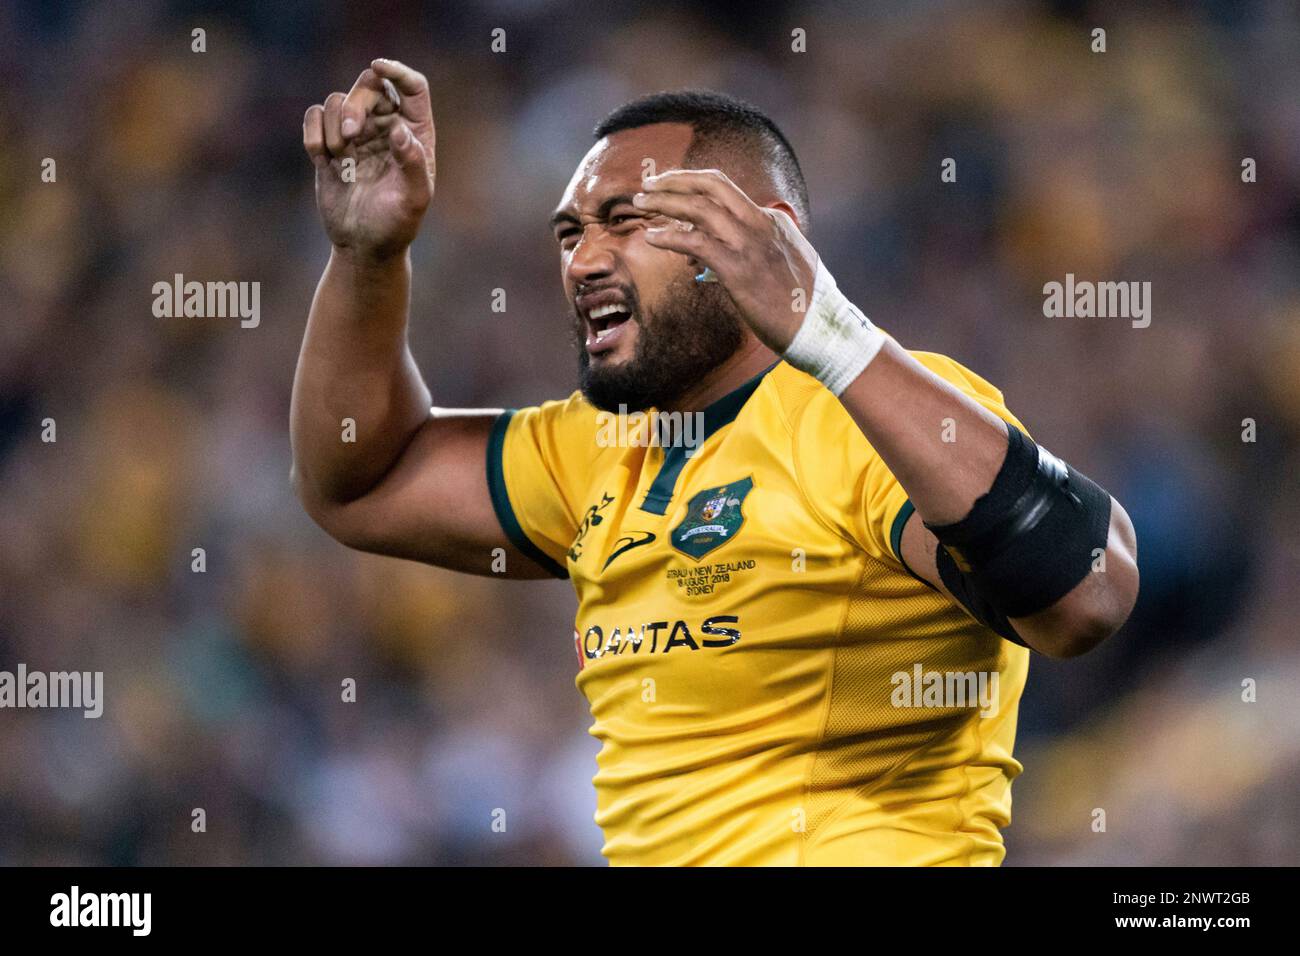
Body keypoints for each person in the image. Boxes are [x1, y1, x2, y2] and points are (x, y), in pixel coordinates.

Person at [293, 59, 1139, 865]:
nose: (583, 260)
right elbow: (358, 481)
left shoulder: (861, 420)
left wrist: (827, 331)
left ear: (766, 234)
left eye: (625, 219)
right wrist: (368, 258)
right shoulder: (594, 448)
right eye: (570, 233)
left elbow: (1087, 594)